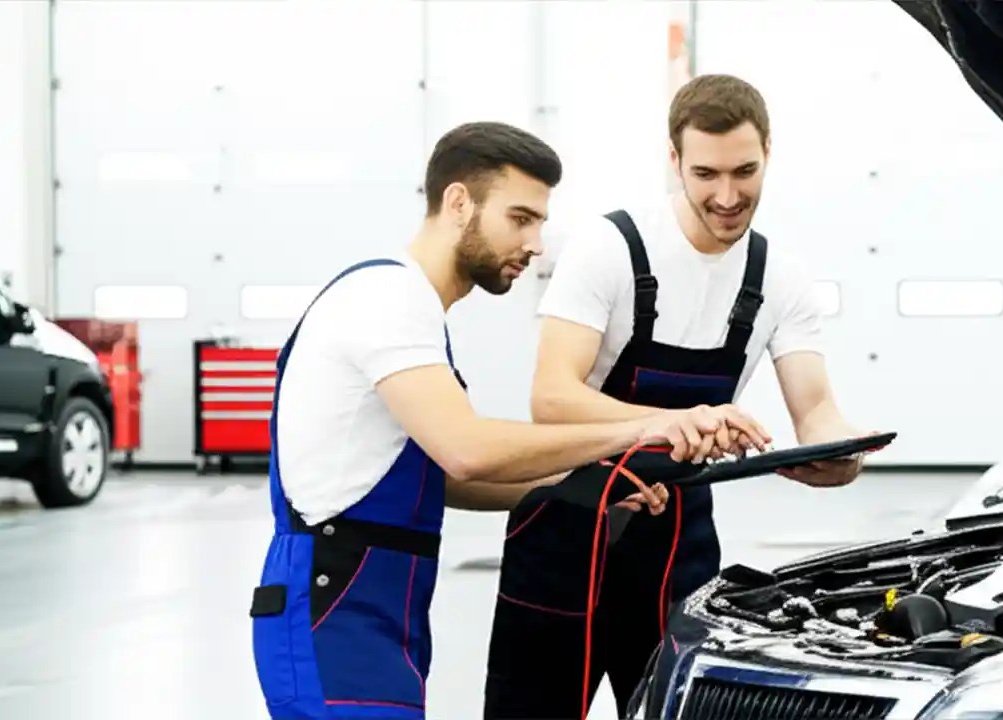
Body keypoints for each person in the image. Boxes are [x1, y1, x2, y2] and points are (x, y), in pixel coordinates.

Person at [247, 120, 763, 720]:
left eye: (540, 221)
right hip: (329, 604)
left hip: (378, 609)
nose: (537, 242)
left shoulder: (412, 310)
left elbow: (441, 480)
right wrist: (645, 427)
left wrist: (588, 489)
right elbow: (467, 448)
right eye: (521, 218)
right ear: (459, 203)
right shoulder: (386, 299)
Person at [482, 75, 875, 720]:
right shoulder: (611, 248)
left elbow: (817, 408)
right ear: (674, 161)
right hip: (568, 533)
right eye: (706, 174)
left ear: (768, 153)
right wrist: (675, 421)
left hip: (678, 551)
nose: (727, 195)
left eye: (745, 171)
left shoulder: (781, 278)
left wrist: (842, 456)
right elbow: (551, 398)